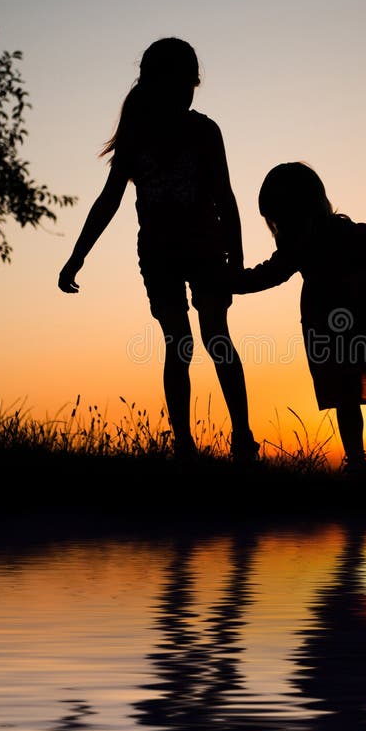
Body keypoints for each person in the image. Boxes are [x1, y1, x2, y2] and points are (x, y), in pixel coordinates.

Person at [58, 37, 259, 464]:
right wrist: (77, 256)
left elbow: (225, 196)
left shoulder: (204, 131)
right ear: (158, 84)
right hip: (159, 254)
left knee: (214, 337)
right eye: (183, 82)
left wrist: (236, 261)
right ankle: (184, 444)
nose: (188, 91)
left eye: (192, 84)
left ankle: (242, 439)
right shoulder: (136, 138)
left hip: (205, 247)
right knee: (180, 343)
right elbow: (108, 199)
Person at [232, 162, 366, 478]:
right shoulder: (298, 249)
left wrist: (361, 281)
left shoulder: (348, 232)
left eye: (282, 218)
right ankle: (356, 462)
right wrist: (231, 282)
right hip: (331, 330)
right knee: (346, 395)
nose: (279, 227)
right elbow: (268, 274)